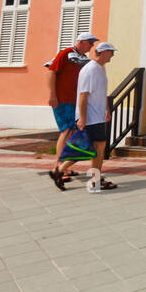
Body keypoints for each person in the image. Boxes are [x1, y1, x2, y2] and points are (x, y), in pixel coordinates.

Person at [45, 31, 97, 190]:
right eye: (90, 42)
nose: (92, 45)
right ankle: (58, 166)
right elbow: (51, 71)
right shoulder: (66, 53)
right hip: (63, 100)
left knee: (72, 132)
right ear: (80, 42)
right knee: (66, 131)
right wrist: (52, 94)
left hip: (73, 101)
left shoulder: (82, 59)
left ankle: (64, 167)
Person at [77, 40, 117, 191]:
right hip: (91, 116)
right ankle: (94, 179)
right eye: (111, 52)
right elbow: (83, 95)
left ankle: (96, 178)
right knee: (96, 148)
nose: (112, 56)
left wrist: (107, 109)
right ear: (104, 52)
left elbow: (103, 92)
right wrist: (82, 117)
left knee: (99, 147)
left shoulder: (101, 68)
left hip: (97, 115)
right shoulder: (90, 69)